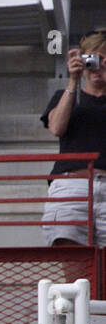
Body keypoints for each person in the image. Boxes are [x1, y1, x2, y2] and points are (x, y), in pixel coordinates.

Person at [42, 29, 106, 246]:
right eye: (94, 59)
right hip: (72, 185)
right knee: (75, 272)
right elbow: (57, 127)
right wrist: (73, 82)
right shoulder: (66, 96)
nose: (98, 66)